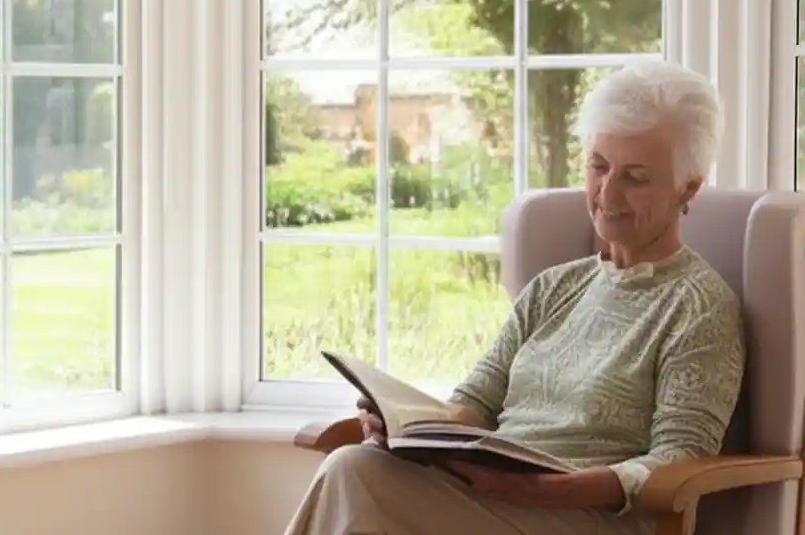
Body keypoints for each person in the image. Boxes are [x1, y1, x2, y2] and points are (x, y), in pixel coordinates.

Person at [284, 61, 745, 535]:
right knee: (360, 463)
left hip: (587, 518)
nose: (609, 192)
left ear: (687, 187)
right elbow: (471, 405)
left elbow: (677, 460)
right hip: (489, 501)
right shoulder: (553, 289)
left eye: (636, 177)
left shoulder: (699, 307)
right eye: (599, 166)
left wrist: (543, 490)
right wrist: (404, 426)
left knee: (354, 476)